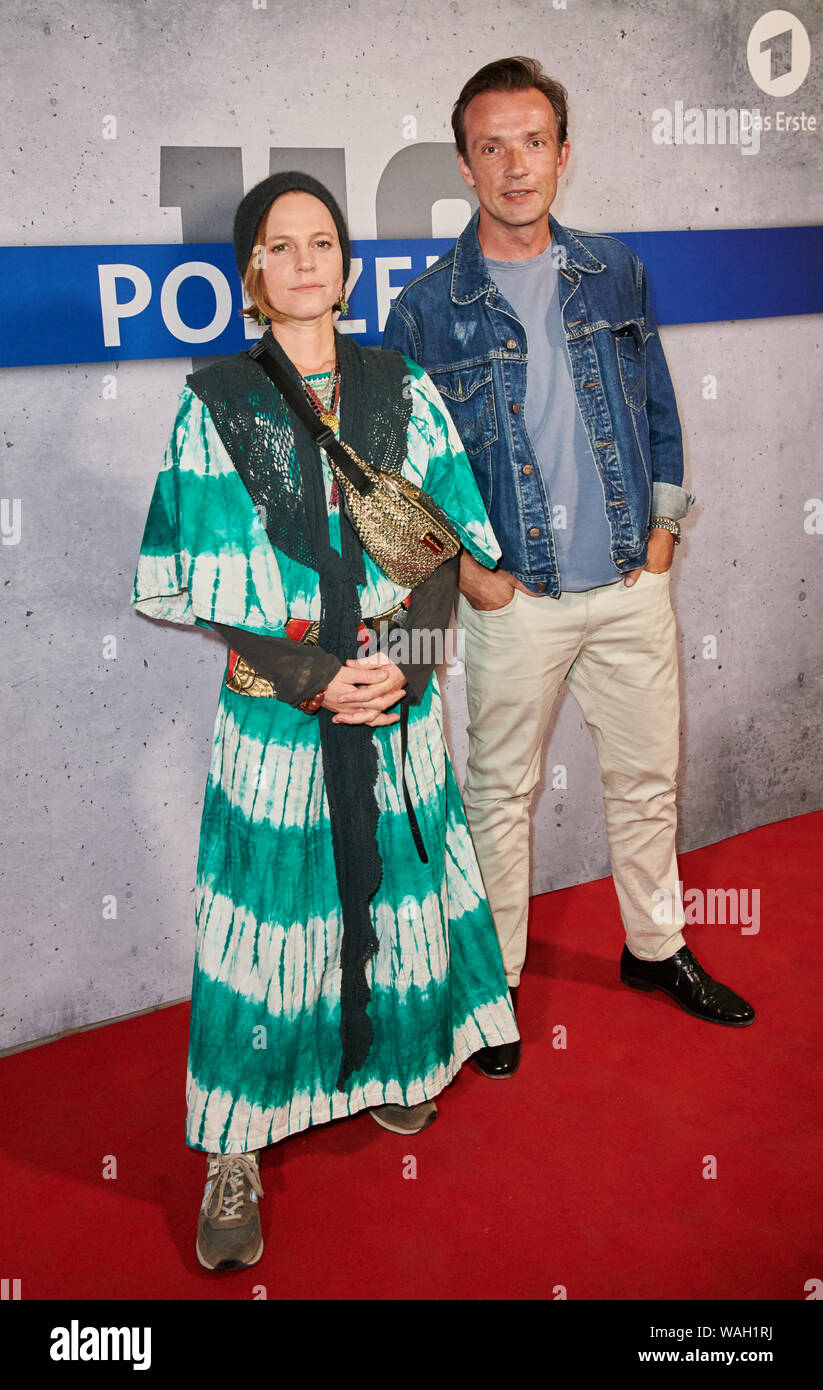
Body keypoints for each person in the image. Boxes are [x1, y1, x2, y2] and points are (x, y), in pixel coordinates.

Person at [131, 171, 518, 1271]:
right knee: (261, 926)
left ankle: (398, 1070)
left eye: (324, 243)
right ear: (252, 272)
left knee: (400, 891)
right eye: (280, 244)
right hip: (277, 717)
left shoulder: (402, 386)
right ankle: (235, 1148)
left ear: (348, 267)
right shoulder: (216, 401)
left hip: (397, 699)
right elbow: (203, 580)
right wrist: (312, 675)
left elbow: (445, 545)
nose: (305, 261)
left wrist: (405, 666)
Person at [383, 56, 755, 1079]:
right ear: (463, 165)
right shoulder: (423, 312)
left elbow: (659, 417)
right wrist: (466, 575)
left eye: (533, 141)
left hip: (631, 588)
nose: (516, 165)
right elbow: (395, 479)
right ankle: (495, 988)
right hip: (516, 600)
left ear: (563, 152)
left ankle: (655, 948)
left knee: (644, 780)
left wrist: (665, 538)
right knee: (499, 795)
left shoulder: (616, 271)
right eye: (492, 147)